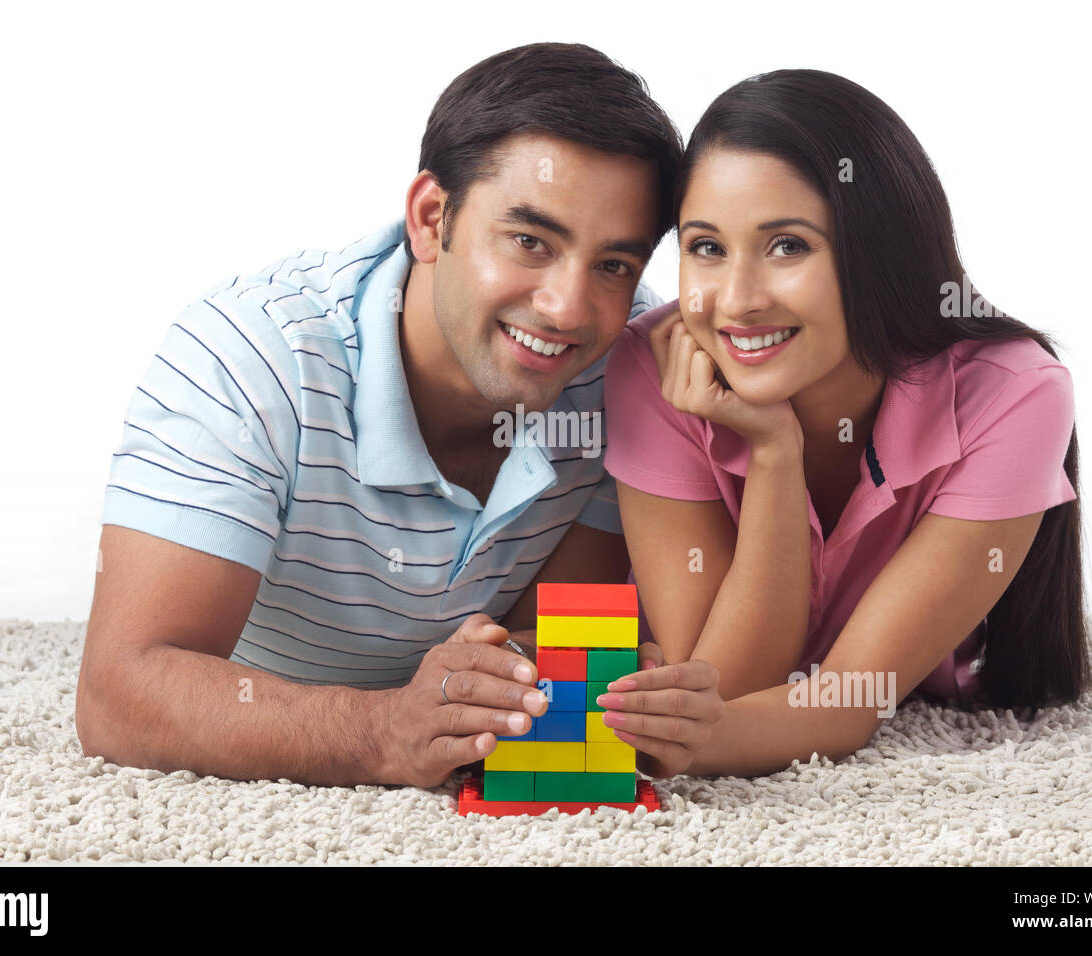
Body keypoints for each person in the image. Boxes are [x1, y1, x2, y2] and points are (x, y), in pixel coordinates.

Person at [76, 43, 724, 790]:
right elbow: (118, 696)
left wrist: (609, 694)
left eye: (614, 265)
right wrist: (383, 732)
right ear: (430, 217)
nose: (568, 309)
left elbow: (549, 636)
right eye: (530, 241)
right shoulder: (251, 356)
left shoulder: (622, 369)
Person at [601, 69, 1092, 778]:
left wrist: (772, 447)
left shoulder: (1015, 395)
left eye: (788, 246)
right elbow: (723, 681)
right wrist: (776, 455)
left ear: (880, 254)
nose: (735, 302)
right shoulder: (655, 366)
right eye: (706, 247)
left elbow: (848, 699)